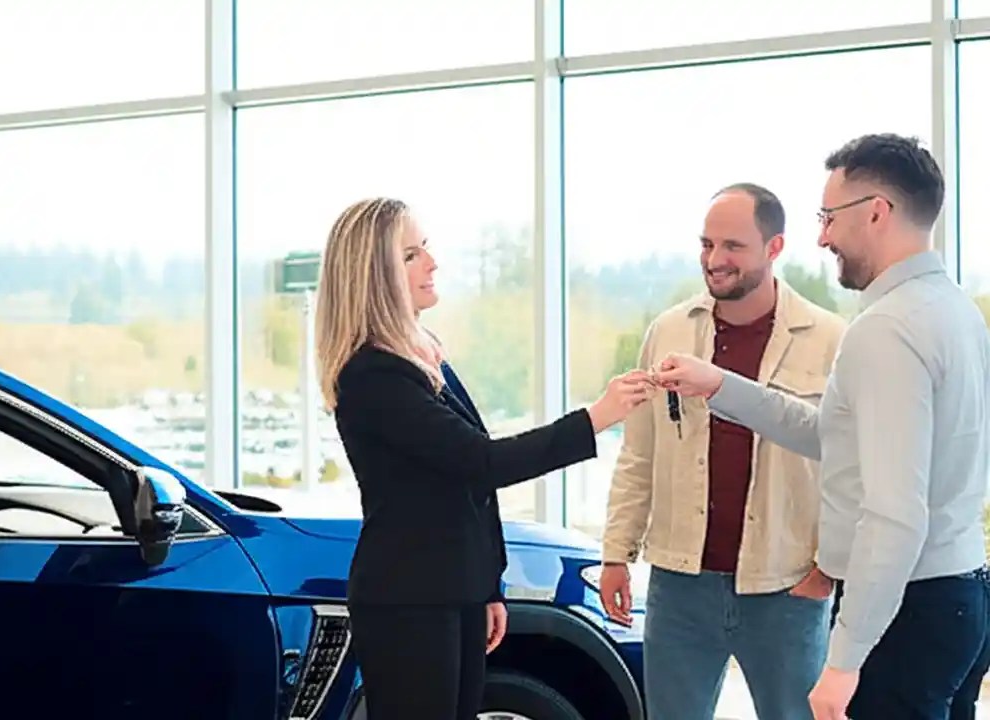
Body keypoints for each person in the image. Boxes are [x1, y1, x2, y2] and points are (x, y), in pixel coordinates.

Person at [655, 133, 990, 720]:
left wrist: (844, 661)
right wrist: (721, 386)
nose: (823, 236)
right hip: (958, 597)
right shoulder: (955, 310)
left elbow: (895, 514)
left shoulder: (887, 330)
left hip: (905, 613)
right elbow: (832, 437)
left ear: (877, 212)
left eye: (829, 217)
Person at [315, 197, 651, 719]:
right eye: (410, 254)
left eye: (425, 247)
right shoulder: (374, 375)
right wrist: (595, 418)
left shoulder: (422, 358)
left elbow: (463, 491)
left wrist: (484, 586)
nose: (431, 262)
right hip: (409, 600)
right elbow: (482, 462)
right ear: (373, 275)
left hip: (451, 591)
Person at [598, 182, 847, 719]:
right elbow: (639, 453)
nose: (715, 260)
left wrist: (829, 566)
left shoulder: (829, 338)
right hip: (680, 585)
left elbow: (848, 469)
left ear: (774, 247)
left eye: (733, 246)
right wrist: (616, 553)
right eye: (707, 244)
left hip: (787, 585)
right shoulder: (668, 331)